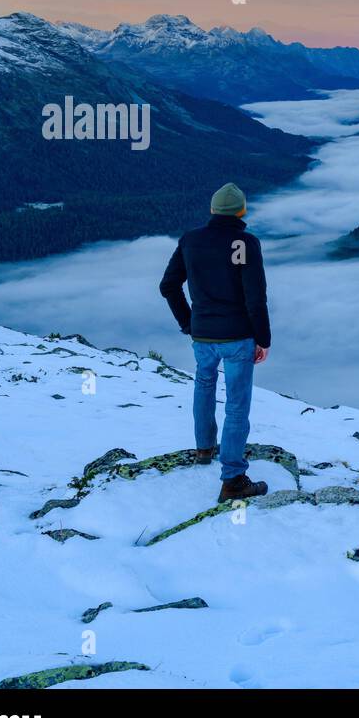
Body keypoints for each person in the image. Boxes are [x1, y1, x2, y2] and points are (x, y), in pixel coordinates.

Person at [159, 183, 272, 501]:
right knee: (236, 404)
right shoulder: (246, 243)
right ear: (242, 211)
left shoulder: (190, 240)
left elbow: (168, 286)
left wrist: (188, 322)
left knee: (204, 386)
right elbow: (255, 298)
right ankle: (233, 479)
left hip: (203, 335)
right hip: (238, 336)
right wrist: (262, 338)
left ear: (212, 210)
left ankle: (204, 449)